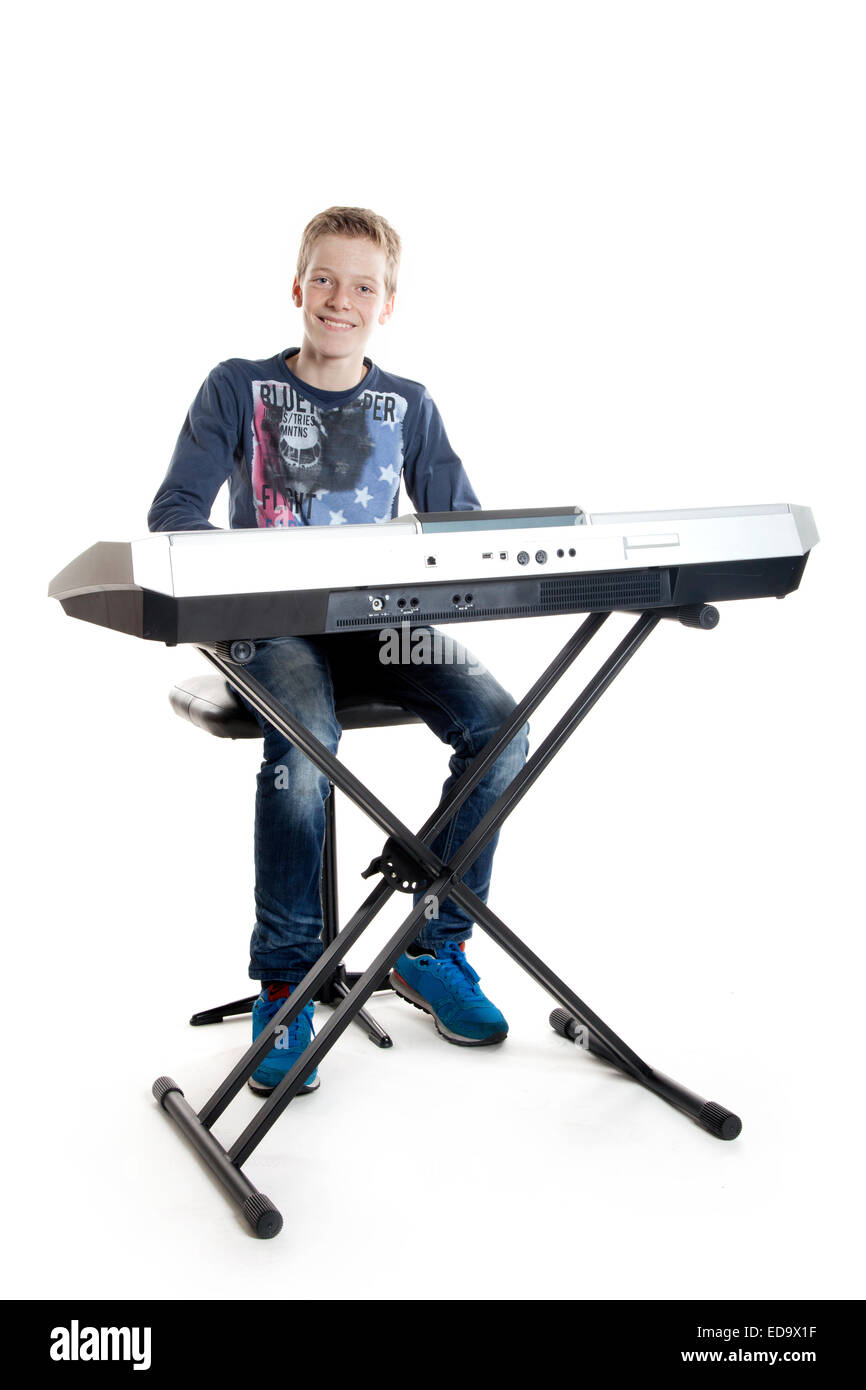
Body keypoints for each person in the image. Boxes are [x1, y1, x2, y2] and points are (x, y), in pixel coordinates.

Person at [149, 207, 529, 1094]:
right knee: (307, 737)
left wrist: (437, 553)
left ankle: (430, 947)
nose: (340, 299)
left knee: (505, 728)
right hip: (271, 623)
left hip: (379, 622)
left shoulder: (410, 405)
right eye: (325, 278)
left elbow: (461, 528)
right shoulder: (236, 388)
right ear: (297, 288)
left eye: (363, 285)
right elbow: (173, 517)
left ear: (386, 304)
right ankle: (289, 982)